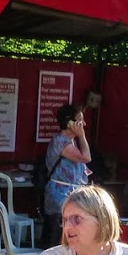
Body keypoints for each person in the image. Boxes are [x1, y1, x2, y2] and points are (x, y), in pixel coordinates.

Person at [43, 103, 91, 245]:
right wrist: (82, 136)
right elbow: (86, 157)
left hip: (71, 196)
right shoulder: (60, 141)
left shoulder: (71, 142)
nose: (84, 124)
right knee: (58, 238)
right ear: (70, 123)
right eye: (80, 121)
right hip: (60, 197)